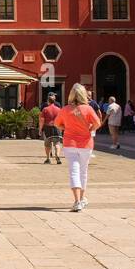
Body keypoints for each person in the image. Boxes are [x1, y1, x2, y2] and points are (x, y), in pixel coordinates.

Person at [56, 83, 101, 211]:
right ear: (83, 95)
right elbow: (98, 123)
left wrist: (67, 128)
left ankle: (76, 201)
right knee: (83, 171)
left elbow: (57, 124)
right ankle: (81, 199)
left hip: (70, 143)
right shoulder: (88, 109)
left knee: (73, 171)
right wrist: (89, 129)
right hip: (86, 143)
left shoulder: (65, 109)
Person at [39, 93, 63, 164]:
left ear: (48, 101)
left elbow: (41, 120)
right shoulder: (59, 109)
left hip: (47, 128)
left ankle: (48, 158)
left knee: (47, 144)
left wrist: (40, 129)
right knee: (57, 143)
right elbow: (61, 119)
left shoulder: (45, 109)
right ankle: (57, 156)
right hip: (57, 127)